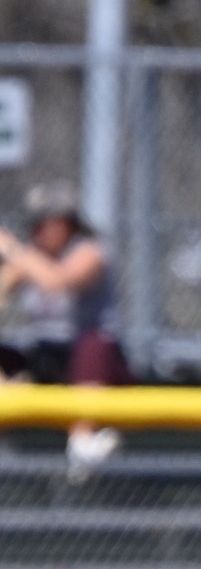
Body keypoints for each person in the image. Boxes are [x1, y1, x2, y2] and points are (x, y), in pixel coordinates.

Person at [0, 182, 131, 470]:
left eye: (43, 223)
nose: (36, 232)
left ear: (64, 223)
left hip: (93, 361)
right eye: (32, 224)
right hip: (45, 356)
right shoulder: (30, 258)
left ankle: (83, 440)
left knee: (92, 347)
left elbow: (57, 281)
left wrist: (12, 249)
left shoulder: (90, 252)